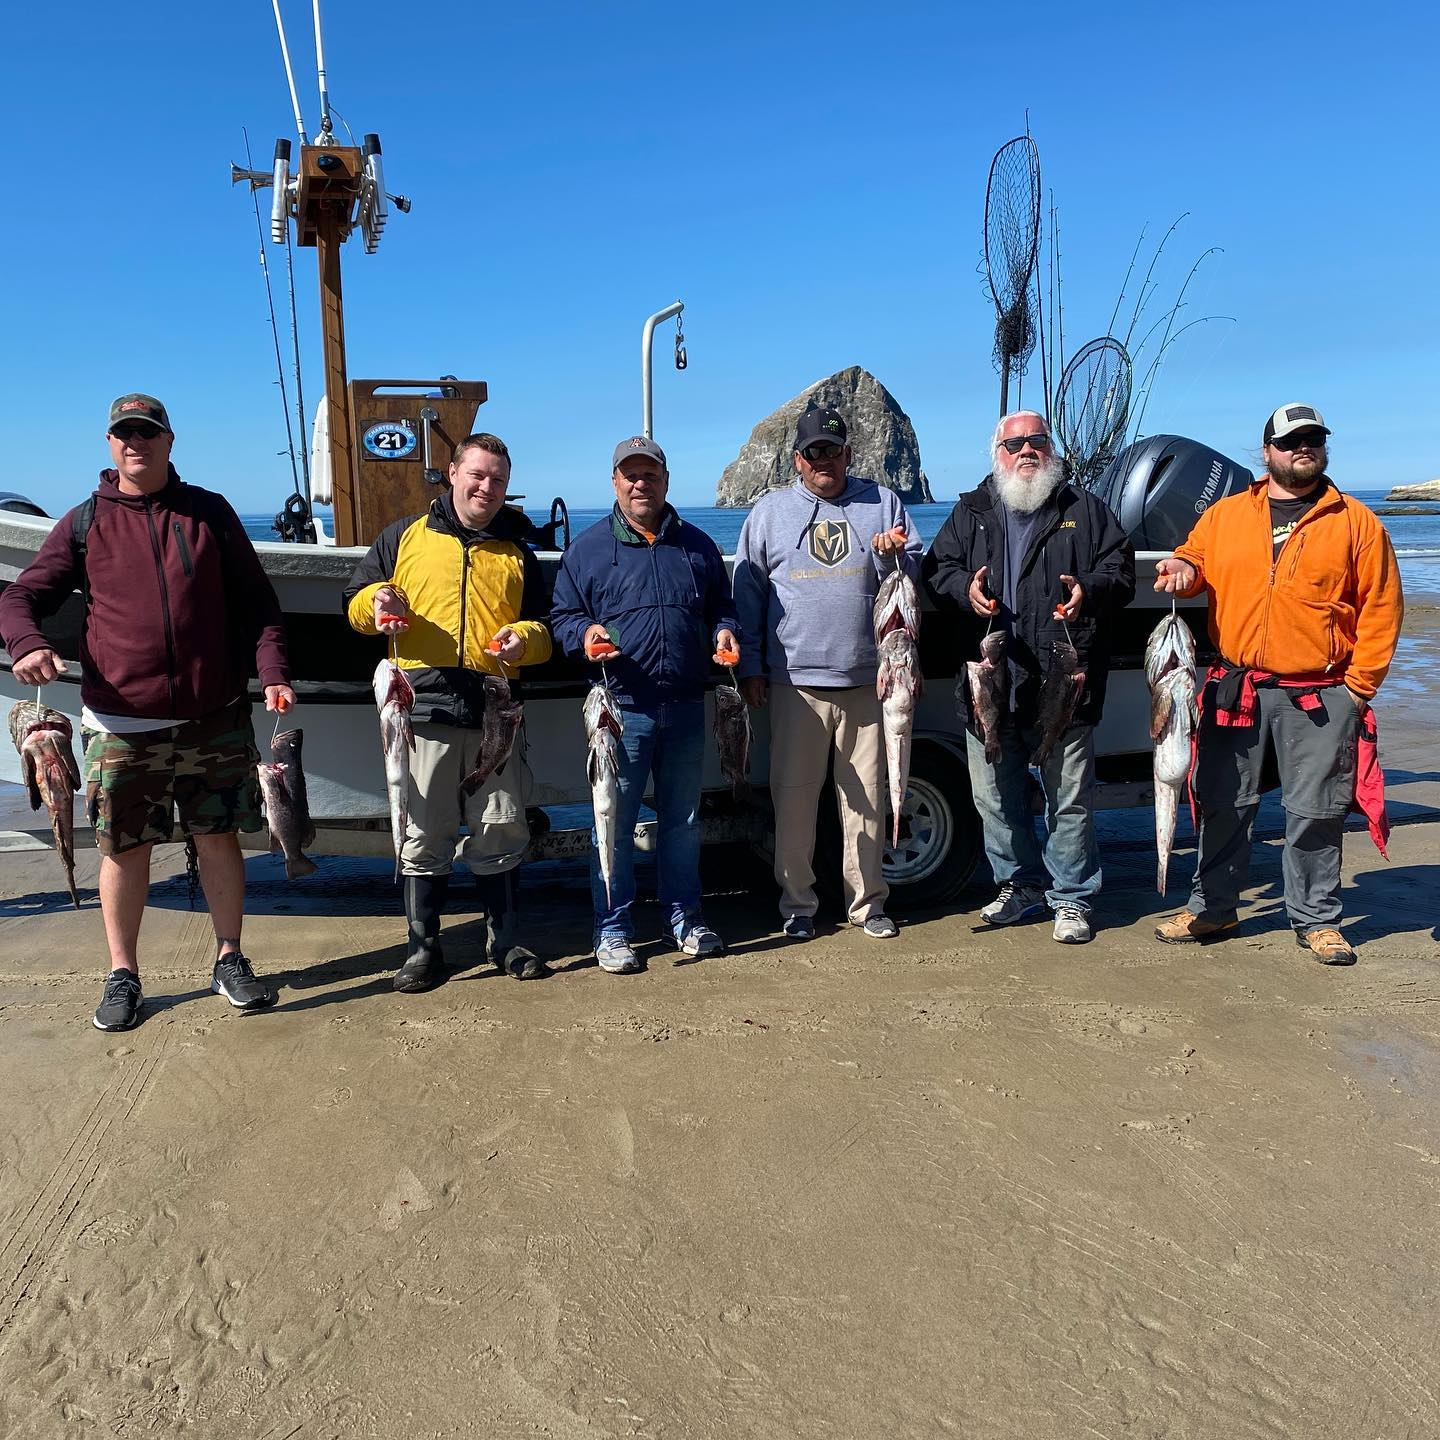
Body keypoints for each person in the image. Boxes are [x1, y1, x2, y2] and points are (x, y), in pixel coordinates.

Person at [0, 394, 295, 1030]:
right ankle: (123, 974)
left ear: (168, 440)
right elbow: (20, 598)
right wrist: (26, 645)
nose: (136, 442)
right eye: (124, 433)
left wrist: (272, 673)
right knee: (124, 850)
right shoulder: (84, 522)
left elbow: (259, 606)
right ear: (110, 444)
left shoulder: (209, 514)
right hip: (119, 725)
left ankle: (230, 958)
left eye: (147, 432)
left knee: (218, 840)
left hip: (213, 718)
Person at [1152, 404, 1403, 963]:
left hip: (1322, 694)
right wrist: (1183, 572)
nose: (1303, 449)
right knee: (1221, 802)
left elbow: (1382, 609)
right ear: (1266, 452)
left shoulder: (1358, 522)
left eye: (1313, 439)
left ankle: (1317, 920)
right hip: (1236, 686)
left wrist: (1358, 689)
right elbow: (1192, 561)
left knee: (1316, 811)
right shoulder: (1225, 515)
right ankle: (1212, 908)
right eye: (1291, 441)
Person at [343, 432, 553, 990]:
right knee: (423, 832)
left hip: (496, 713)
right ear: (453, 473)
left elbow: (545, 631)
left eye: (499, 480)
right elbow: (357, 603)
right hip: (423, 710)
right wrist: (377, 604)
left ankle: (504, 941)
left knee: (502, 826)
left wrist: (524, 640)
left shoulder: (518, 552)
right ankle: (423, 948)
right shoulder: (402, 538)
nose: (487, 487)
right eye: (478, 474)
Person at [921, 410, 1135, 943]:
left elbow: (1122, 572)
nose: (1025, 452)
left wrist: (1090, 589)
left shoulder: (1084, 509)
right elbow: (935, 571)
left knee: (1070, 797)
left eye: (1035, 441)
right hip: (991, 682)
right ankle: (1018, 886)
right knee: (994, 795)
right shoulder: (970, 511)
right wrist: (961, 591)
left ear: (1050, 449)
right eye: (1013, 444)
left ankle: (1072, 897)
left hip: (1063, 682)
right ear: (996, 454)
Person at [550, 435, 740, 973]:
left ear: (665, 480)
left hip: (683, 706)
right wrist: (583, 633)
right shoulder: (587, 549)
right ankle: (612, 929)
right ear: (614, 482)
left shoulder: (699, 546)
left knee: (683, 820)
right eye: (630, 475)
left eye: (650, 474)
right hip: (620, 710)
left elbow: (722, 610)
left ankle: (686, 917)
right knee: (612, 823)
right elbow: (561, 617)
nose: (640, 484)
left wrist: (724, 634)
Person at [732, 406, 919, 941]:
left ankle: (868, 903)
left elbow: (912, 585)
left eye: (833, 451)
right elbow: (748, 597)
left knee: (867, 803)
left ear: (848, 455)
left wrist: (892, 558)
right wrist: (750, 667)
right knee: (793, 802)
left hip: (871, 682)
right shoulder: (768, 513)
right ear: (798, 459)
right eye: (814, 453)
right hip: (795, 684)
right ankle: (797, 906)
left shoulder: (884, 504)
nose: (824, 461)